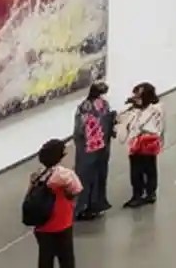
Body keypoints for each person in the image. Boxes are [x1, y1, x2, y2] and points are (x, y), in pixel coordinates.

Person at [30, 139, 82, 268]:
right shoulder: (63, 175)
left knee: (45, 259)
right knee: (66, 259)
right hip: (61, 223)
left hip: (42, 225)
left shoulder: (37, 175)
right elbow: (77, 188)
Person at [72, 81, 114, 221]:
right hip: (88, 147)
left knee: (99, 175)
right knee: (85, 175)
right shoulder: (85, 107)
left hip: (101, 146)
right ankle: (83, 206)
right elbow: (80, 129)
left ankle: (96, 203)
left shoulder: (104, 104)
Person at [118, 82, 165, 208]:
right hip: (136, 143)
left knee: (148, 169)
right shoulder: (134, 109)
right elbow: (121, 119)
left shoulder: (154, 110)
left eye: (138, 95)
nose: (135, 98)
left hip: (146, 143)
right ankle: (139, 194)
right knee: (137, 170)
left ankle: (148, 193)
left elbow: (146, 126)